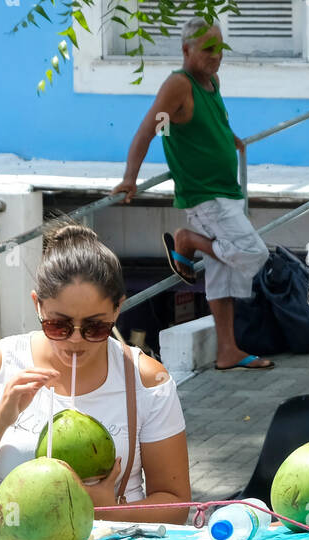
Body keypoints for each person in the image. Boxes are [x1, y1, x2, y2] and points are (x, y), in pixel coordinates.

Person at [0, 222, 191, 523]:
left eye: (95, 326)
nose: (75, 339)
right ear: (38, 306)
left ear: (117, 310)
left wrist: (107, 510)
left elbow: (176, 505)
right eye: (58, 325)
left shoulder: (145, 380)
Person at [113, 17, 273, 371]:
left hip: (225, 190)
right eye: (207, 49)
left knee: (223, 275)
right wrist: (130, 178)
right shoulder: (177, 86)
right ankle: (187, 241)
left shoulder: (211, 81)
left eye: (220, 48)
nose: (216, 56)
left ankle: (227, 350)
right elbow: (151, 130)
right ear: (186, 50)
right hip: (205, 195)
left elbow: (205, 119)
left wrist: (226, 136)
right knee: (253, 254)